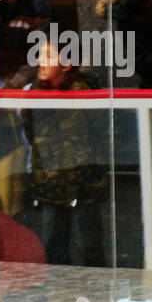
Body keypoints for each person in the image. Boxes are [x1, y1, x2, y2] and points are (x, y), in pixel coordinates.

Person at [22, 42, 110, 266]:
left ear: (66, 64)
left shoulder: (86, 94)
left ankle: (95, 286)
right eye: (40, 55)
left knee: (89, 245)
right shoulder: (34, 93)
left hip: (84, 182)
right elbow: (31, 133)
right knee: (53, 245)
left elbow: (105, 133)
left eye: (48, 56)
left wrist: (94, 166)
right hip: (50, 181)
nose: (41, 61)